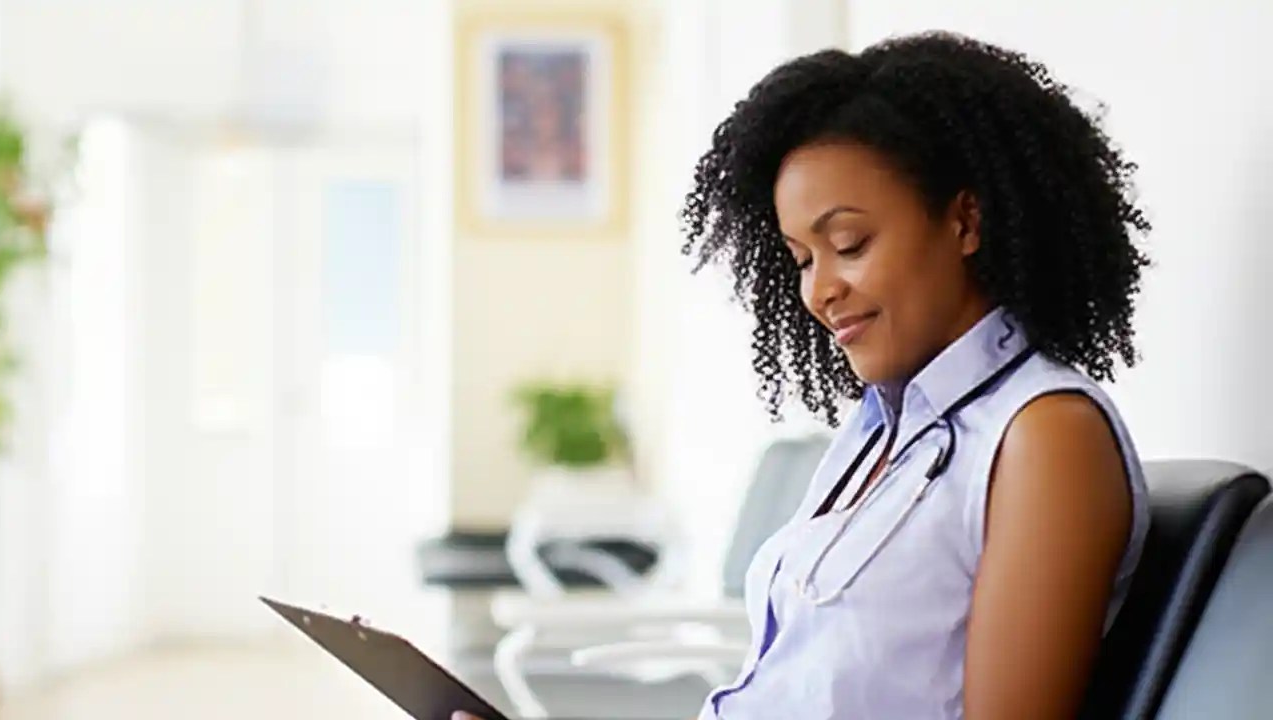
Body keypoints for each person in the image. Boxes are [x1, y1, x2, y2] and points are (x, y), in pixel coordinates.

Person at [456, 30, 1151, 720]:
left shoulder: (1043, 437)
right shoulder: (879, 434)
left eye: (848, 244)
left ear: (965, 221)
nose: (819, 292)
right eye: (801, 259)